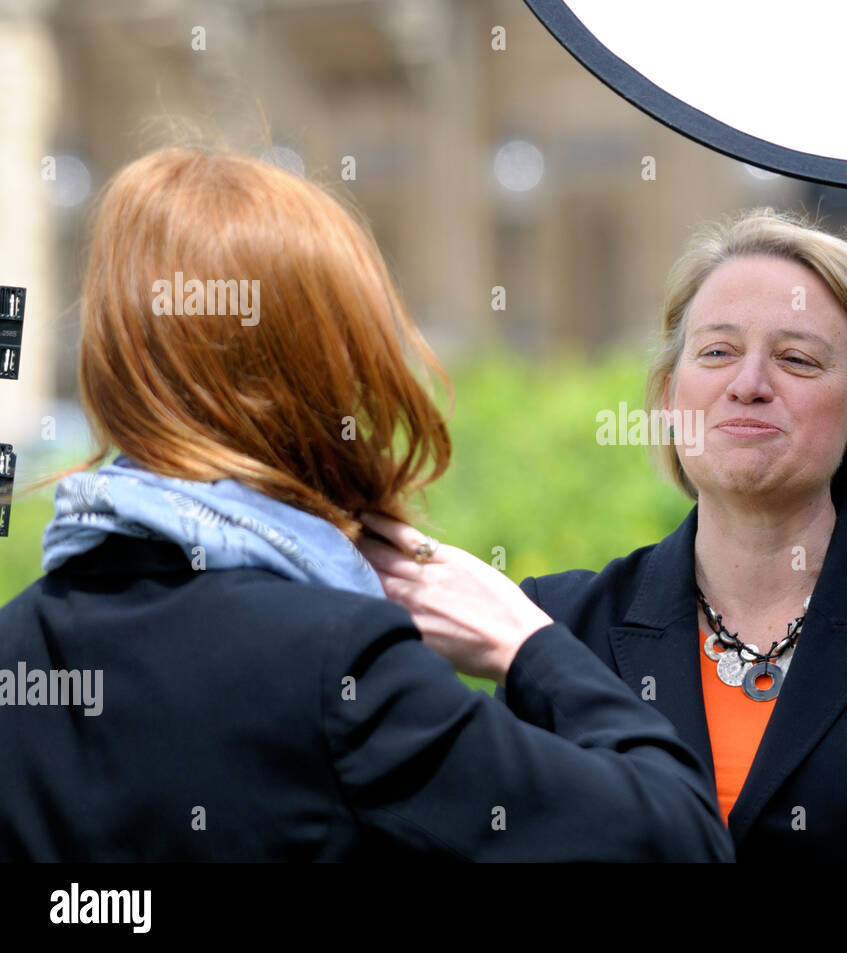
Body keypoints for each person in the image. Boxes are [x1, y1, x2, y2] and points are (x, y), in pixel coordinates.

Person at [0, 146, 733, 862]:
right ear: (314, 372)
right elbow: (676, 836)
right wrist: (527, 642)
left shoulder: (19, 646)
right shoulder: (336, 666)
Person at [366, 208, 847, 861]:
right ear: (670, 398)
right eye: (718, 351)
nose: (749, 384)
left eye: (799, 360)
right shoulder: (558, 624)